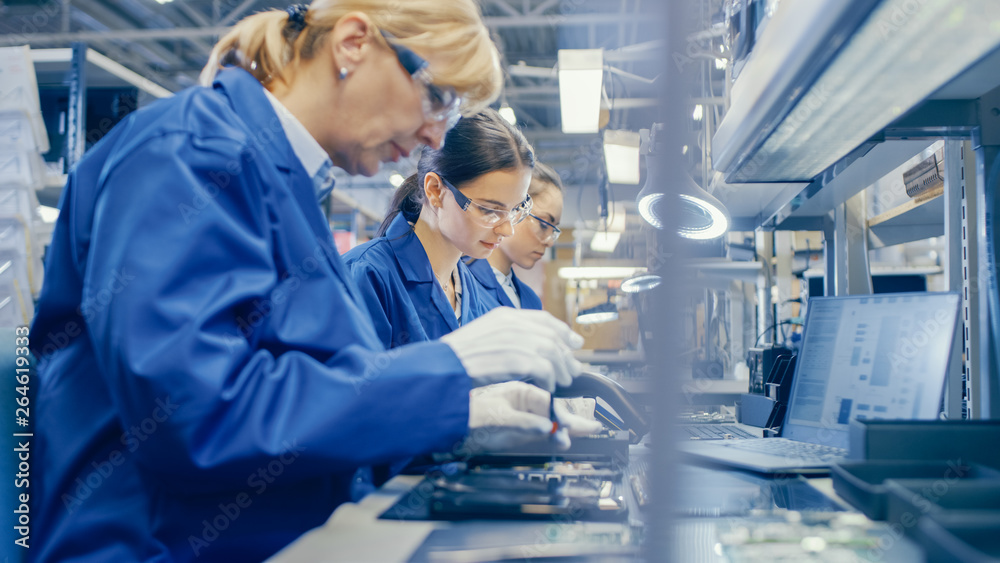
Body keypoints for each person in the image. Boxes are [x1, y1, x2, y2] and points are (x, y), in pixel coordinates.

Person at [27, 2, 598, 561]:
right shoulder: (188, 155)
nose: (433, 134)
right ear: (353, 43)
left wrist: (463, 414)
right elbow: (198, 417)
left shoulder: (287, 183)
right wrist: (447, 368)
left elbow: (315, 400)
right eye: (438, 97)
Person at [343, 108, 534, 349]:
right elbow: (348, 383)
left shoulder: (472, 292)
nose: (507, 230)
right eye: (489, 210)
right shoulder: (367, 275)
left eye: (517, 209)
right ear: (435, 190)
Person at [468, 162, 564, 310]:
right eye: (544, 225)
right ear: (513, 209)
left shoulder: (531, 300)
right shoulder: (459, 284)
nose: (549, 242)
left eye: (553, 230)